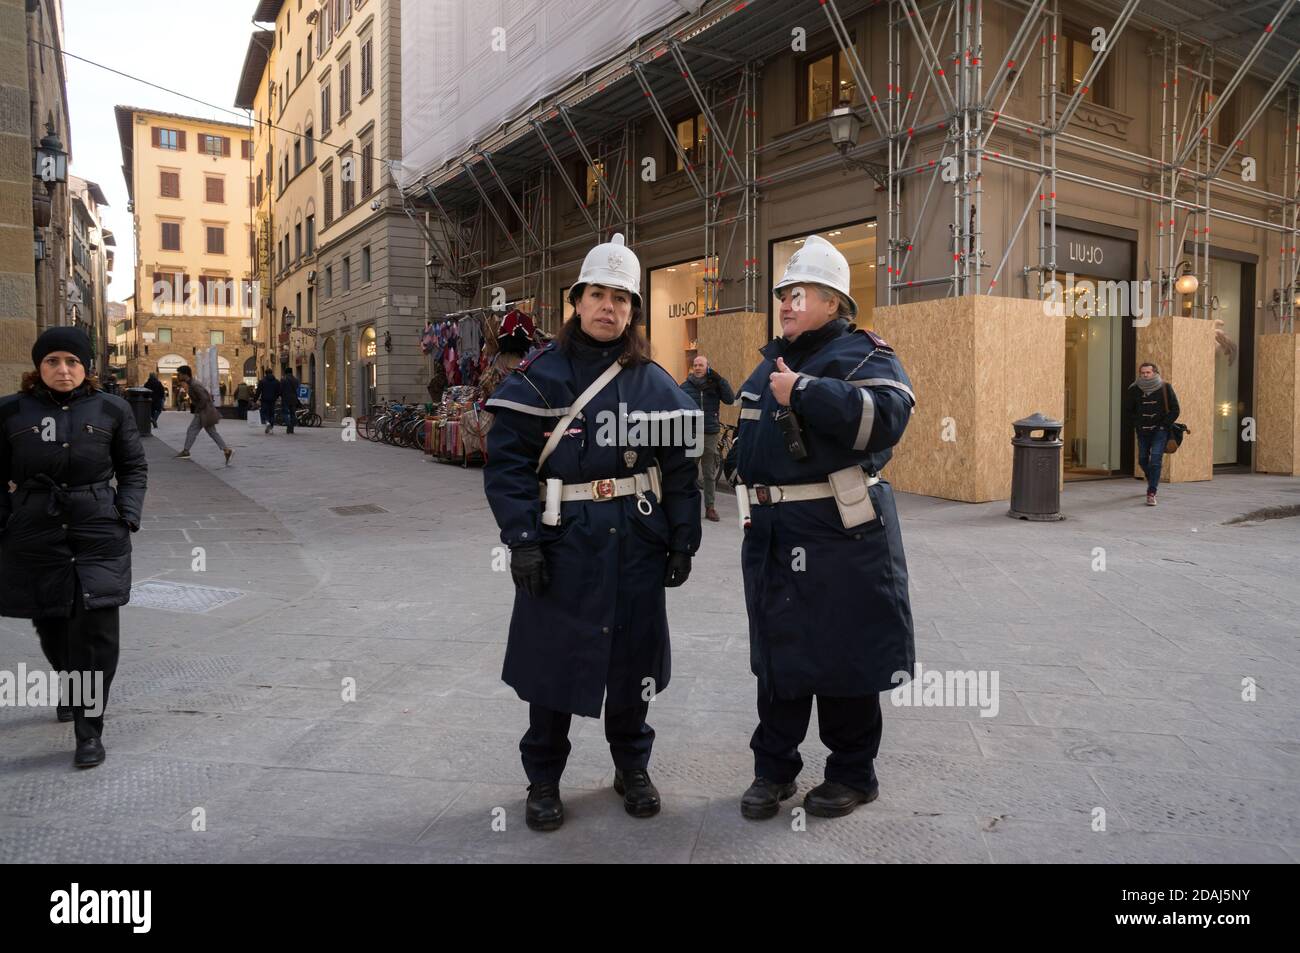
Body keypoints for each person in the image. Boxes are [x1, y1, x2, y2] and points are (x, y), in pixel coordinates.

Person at [483, 233, 702, 832]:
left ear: (633, 310)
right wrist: (522, 539)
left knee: (635, 668)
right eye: (598, 295)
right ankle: (544, 780)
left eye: (622, 299)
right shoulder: (538, 377)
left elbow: (682, 469)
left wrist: (684, 537)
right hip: (562, 545)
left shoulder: (655, 383)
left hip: (637, 543)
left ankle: (632, 767)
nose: (609, 307)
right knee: (552, 668)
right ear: (576, 301)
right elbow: (506, 468)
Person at [733, 234, 916, 821]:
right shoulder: (768, 364)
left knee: (846, 654)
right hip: (774, 532)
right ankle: (774, 771)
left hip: (840, 534)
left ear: (834, 302)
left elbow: (887, 418)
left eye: (800, 292)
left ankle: (853, 774)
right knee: (779, 657)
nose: (786, 302)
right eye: (784, 293)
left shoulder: (863, 355)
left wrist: (806, 391)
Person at [0, 327, 147, 767]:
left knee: (99, 631)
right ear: (38, 367)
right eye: (52, 362)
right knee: (53, 626)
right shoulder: (10, 411)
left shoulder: (112, 409)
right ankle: (70, 686)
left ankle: (89, 730)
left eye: (72, 362)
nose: (62, 370)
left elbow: (134, 468)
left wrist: (127, 515)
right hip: (35, 532)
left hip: (98, 530)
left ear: (86, 368)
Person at [680, 354, 735, 522]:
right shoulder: (685, 387)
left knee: (709, 474)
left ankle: (710, 507)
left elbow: (730, 399)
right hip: (691, 435)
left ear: (707, 367)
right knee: (688, 473)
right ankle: (685, 507)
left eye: (701, 365)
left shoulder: (715, 385)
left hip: (710, 433)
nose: (697, 367)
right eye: (695, 365)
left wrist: (720, 380)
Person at [1124, 361, 1180, 506]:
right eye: (1142, 373)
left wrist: (1163, 425)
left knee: (1155, 460)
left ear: (1155, 373)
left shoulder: (1165, 387)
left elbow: (1175, 409)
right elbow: (1128, 411)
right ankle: (1152, 478)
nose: (1145, 375)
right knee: (1142, 460)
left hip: (1159, 431)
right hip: (1142, 431)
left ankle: (1151, 492)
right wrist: (1137, 424)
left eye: (1148, 372)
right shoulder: (1134, 389)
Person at [174, 366, 233, 465]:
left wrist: (198, 409)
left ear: (185, 374)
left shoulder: (194, 384)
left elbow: (204, 398)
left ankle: (186, 451)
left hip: (203, 411)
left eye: (179, 374)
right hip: (204, 410)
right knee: (212, 432)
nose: (178, 376)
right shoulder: (192, 383)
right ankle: (226, 451)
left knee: (192, 430)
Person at [255, 368, 280, 433]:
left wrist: (254, 400)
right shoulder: (276, 381)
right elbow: (278, 391)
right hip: (273, 400)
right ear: (272, 373)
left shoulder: (262, 381)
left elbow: (258, 391)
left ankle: (267, 422)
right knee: (272, 413)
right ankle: (271, 427)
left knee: (264, 412)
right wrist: (276, 397)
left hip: (264, 399)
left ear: (265, 374)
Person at [279, 367, 300, 434]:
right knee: (292, 413)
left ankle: (288, 424)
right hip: (294, 398)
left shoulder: (283, 379)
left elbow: (281, 389)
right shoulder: (296, 380)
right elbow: (297, 388)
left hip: (285, 398)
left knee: (285, 413)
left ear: (285, 372)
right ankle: (291, 428)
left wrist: (280, 395)